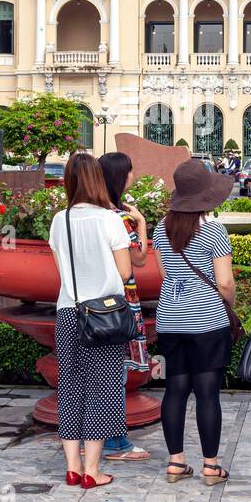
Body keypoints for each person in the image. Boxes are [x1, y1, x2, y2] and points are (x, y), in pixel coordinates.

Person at [47, 152, 133, 490]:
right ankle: (92, 470)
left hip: (68, 311)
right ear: (98, 180)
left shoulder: (59, 220)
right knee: (102, 389)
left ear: (68, 181)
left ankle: (72, 466)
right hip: (104, 316)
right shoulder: (110, 220)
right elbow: (126, 272)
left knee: (70, 386)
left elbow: (62, 272)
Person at [152, 159, 236, 487]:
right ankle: (211, 467)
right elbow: (225, 282)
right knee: (206, 393)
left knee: (175, 389)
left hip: (170, 320)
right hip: (207, 322)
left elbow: (163, 274)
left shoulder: (161, 228)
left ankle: (175, 462)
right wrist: (226, 304)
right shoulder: (214, 231)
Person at [96, 151, 154, 462]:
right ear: (120, 177)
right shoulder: (121, 218)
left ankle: (88, 438)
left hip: (89, 299)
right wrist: (142, 222)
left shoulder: (85, 213)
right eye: (129, 172)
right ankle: (116, 443)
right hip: (120, 302)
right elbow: (140, 259)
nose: (133, 176)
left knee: (92, 372)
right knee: (115, 372)